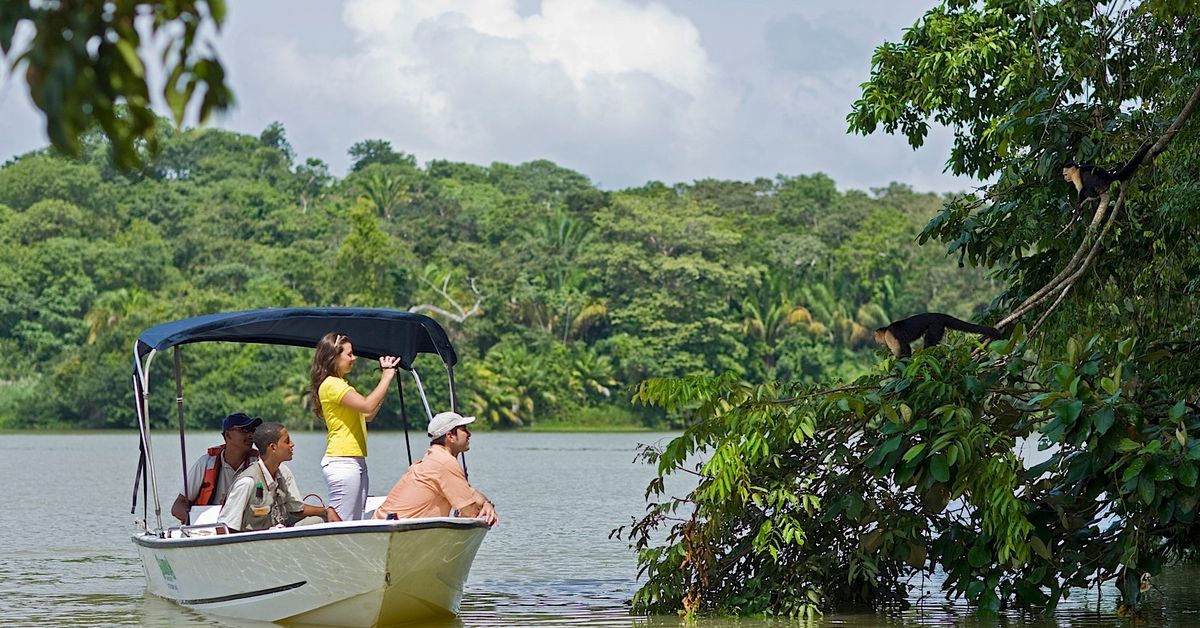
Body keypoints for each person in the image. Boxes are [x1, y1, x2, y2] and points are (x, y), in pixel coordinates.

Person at [308, 332, 401, 520]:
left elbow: (368, 414)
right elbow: (367, 405)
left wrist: (387, 380)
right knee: (342, 524)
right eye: (349, 354)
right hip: (343, 461)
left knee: (354, 521)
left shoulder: (340, 383)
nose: (354, 358)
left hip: (354, 460)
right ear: (333, 357)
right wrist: (386, 376)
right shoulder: (333, 385)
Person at [373, 411, 499, 526]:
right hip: (393, 529)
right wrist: (482, 511)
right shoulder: (445, 463)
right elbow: (470, 513)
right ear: (450, 436)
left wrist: (487, 504)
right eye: (464, 429)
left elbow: (470, 493)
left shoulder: (435, 458)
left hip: (383, 526)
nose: (469, 434)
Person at [217, 421, 342, 533]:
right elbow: (225, 527)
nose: (292, 445)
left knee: (319, 521)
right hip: (255, 542)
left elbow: (296, 509)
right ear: (273, 447)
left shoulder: (282, 474)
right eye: (287, 441)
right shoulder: (247, 482)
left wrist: (326, 511)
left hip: (278, 534)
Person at [170, 412, 262, 524]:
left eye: (253, 430)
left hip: (246, 526)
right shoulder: (206, 463)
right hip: (208, 528)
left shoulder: (258, 464)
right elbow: (177, 507)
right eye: (245, 430)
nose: (251, 435)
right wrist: (198, 522)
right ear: (227, 435)